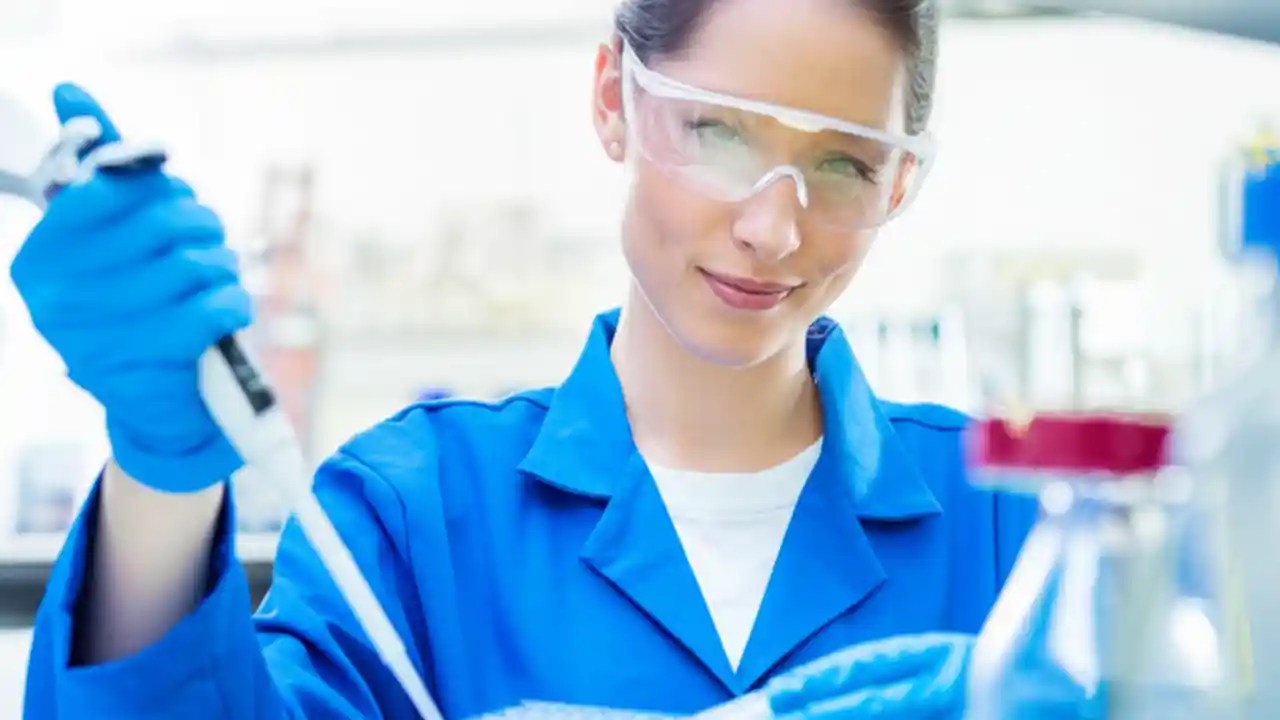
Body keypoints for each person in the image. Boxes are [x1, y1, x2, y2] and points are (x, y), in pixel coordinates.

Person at [13, 0, 1036, 717]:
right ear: (613, 100)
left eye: (844, 163)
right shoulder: (418, 510)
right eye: (719, 134)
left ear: (899, 183)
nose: (773, 229)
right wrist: (162, 473)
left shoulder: (1016, 521)